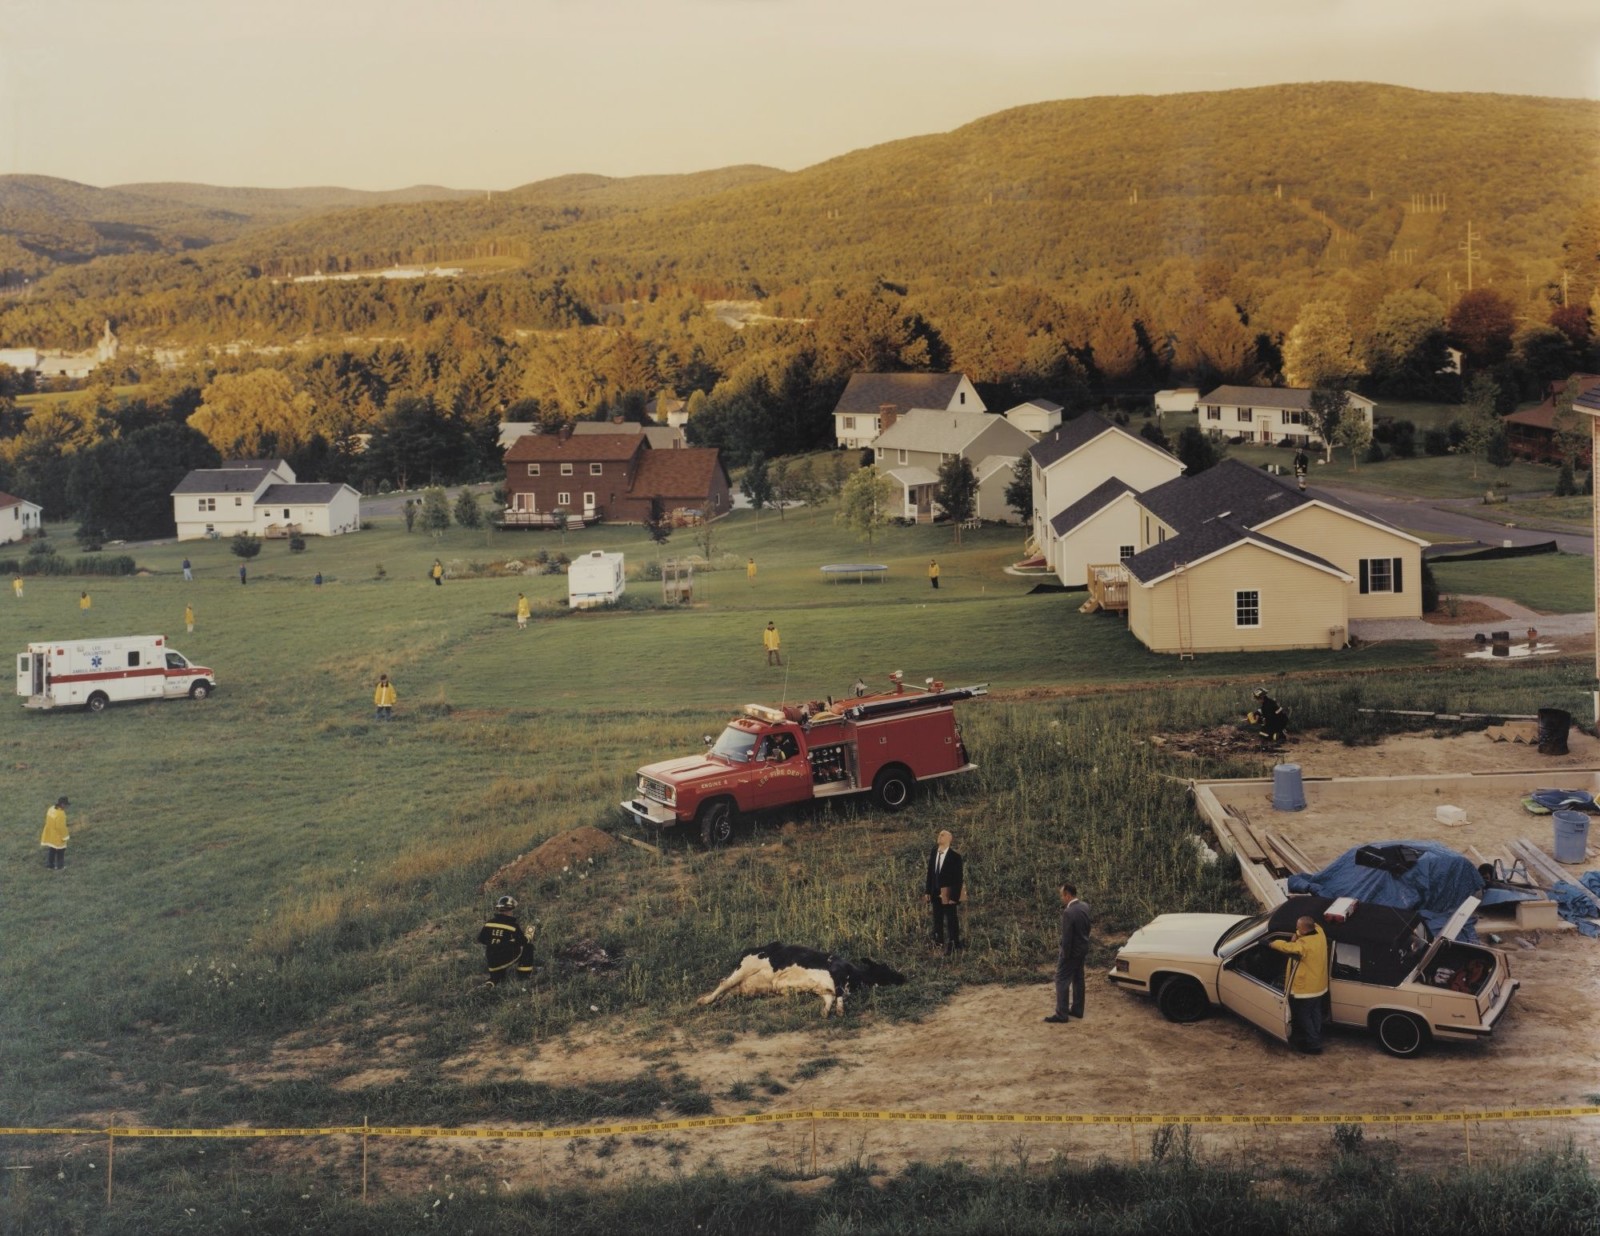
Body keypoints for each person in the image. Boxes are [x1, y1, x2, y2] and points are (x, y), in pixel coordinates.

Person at [1269, 914, 1329, 1053]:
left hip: (1307, 988)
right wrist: (1297, 935)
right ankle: (1316, 1035)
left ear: (1305, 930)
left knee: (1303, 1015)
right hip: (1319, 984)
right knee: (1315, 1012)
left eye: (1298, 927)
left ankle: (1314, 1044)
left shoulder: (1304, 946)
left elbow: (1288, 948)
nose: (1296, 929)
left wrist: (1272, 943)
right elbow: (1311, 928)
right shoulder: (1320, 933)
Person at [1045, 883, 1091, 1023]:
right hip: (1082, 949)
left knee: (1061, 979)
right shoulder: (1085, 906)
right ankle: (1077, 1010)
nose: (1061, 898)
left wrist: (1064, 955)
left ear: (1068, 895)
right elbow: (1087, 928)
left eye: (1062, 895)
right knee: (1078, 978)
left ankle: (1061, 1014)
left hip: (1071, 953)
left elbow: (1066, 938)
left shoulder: (1068, 912)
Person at [478, 894, 534, 987]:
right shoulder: (513, 926)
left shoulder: (489, 923)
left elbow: (482, 939)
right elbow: (522, 942)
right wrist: (528, 937)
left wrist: (496, 943)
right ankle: (524, 976)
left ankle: (490, 984)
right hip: (503, 958)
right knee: (528, 947)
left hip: (491, 961)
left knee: (496, 978)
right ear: (510, 909)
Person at [925, 830, 964, 954]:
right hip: (935, 891)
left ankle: (954, 944)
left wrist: (955, 896)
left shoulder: (955, 857)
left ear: (949, 839)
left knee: (951, 918)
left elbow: (958, 878)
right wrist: (928, 891)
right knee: (937, 918)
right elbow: (930, 873)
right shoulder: (934, 853)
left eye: (942, 835)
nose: (939, 836)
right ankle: (938, 942)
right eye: (939, 834)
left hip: (948, 891)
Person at [40, 796, 70, 869]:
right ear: (62, 804)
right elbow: (61, 827)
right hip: (57, 836)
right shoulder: (61, 814)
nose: (66, 806)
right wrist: (65, 837)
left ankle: (50, 865)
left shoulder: (51, 809)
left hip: (50, 834)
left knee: (52, 849)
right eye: (66, 805)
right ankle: (60, 866)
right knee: (61, 851)